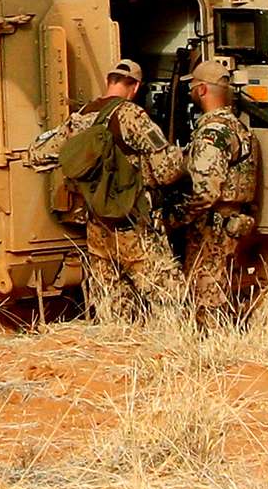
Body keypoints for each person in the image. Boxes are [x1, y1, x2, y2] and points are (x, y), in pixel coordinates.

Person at [60, 58, 188, 318]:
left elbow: (43, 154)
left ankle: (122, 350)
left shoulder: (81, 116)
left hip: (96, 225)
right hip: (131, 222)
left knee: (113, 304)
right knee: (169, 296)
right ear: (136, 87)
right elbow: (167, 172)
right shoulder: (132, 115)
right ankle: (174, 351)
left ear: (109, 82)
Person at [179, 57, 261, 324]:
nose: (190, 92)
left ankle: (211, 353)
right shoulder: (240, 129)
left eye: (192, 87)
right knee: (222, 289)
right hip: (233, 223)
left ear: (202, 90)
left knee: (206, 298)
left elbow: (205, 192)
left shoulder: (213, 133)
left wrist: (174, 218)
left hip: (211, 229)